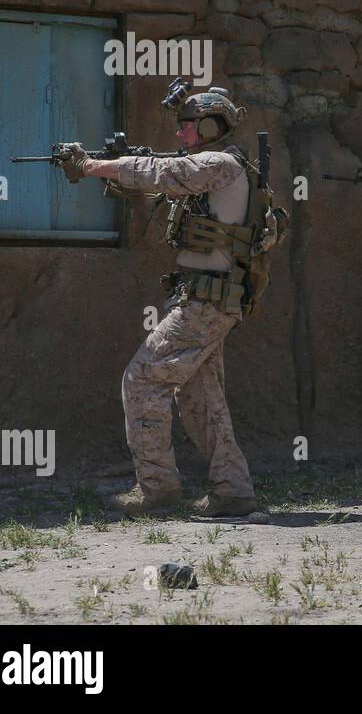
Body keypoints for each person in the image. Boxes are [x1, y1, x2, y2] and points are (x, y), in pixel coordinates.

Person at [59, 86, 283, 516]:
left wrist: (91, 166)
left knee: (142, 379)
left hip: (207, 300)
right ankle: (233, 491)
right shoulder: (216, 167)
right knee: (202, 395)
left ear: (211, 126)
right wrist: (112, 168)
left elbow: (160, 173)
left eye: (187, 125)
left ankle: (157, 488)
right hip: (209, 298)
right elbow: (160, 174)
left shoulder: (218, 163)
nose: (180, 133)